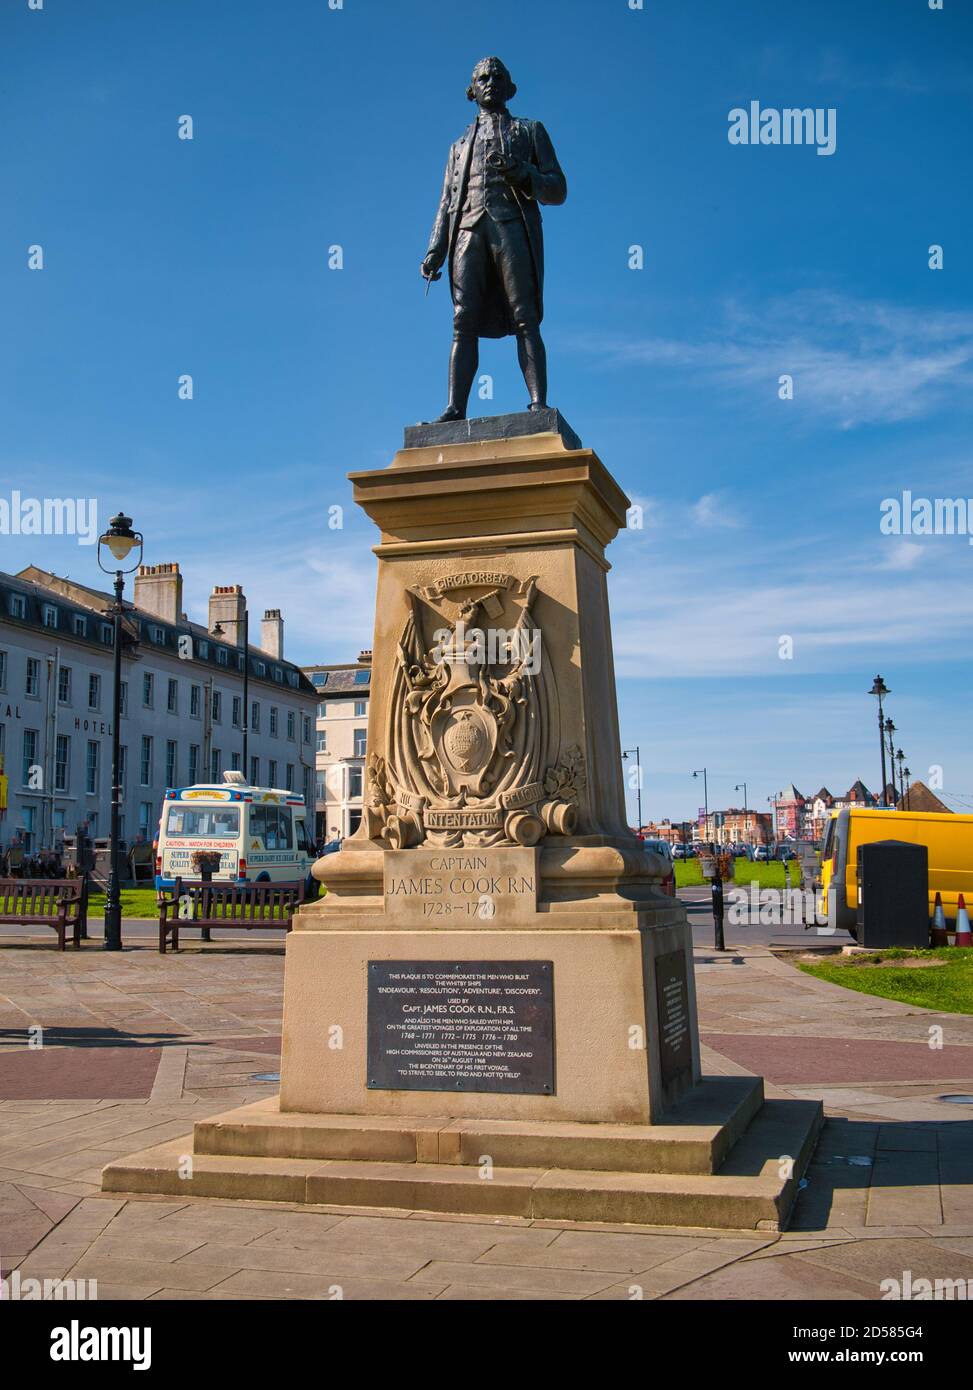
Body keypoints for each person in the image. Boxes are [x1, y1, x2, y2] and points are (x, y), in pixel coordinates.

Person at [421, 56, 567, 421]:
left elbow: (558, 189)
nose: (490, 81)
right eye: (483, 77)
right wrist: (435, 250)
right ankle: (455, 408)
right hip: (468, 232)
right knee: (462, 319)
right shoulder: (457, 147)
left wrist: (522, 172)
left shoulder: (530, 131)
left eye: (498, 77)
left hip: (510, 226)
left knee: (525, 317)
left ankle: (538, 405)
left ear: (510, 88)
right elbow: (446, 202)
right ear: (472, 90)